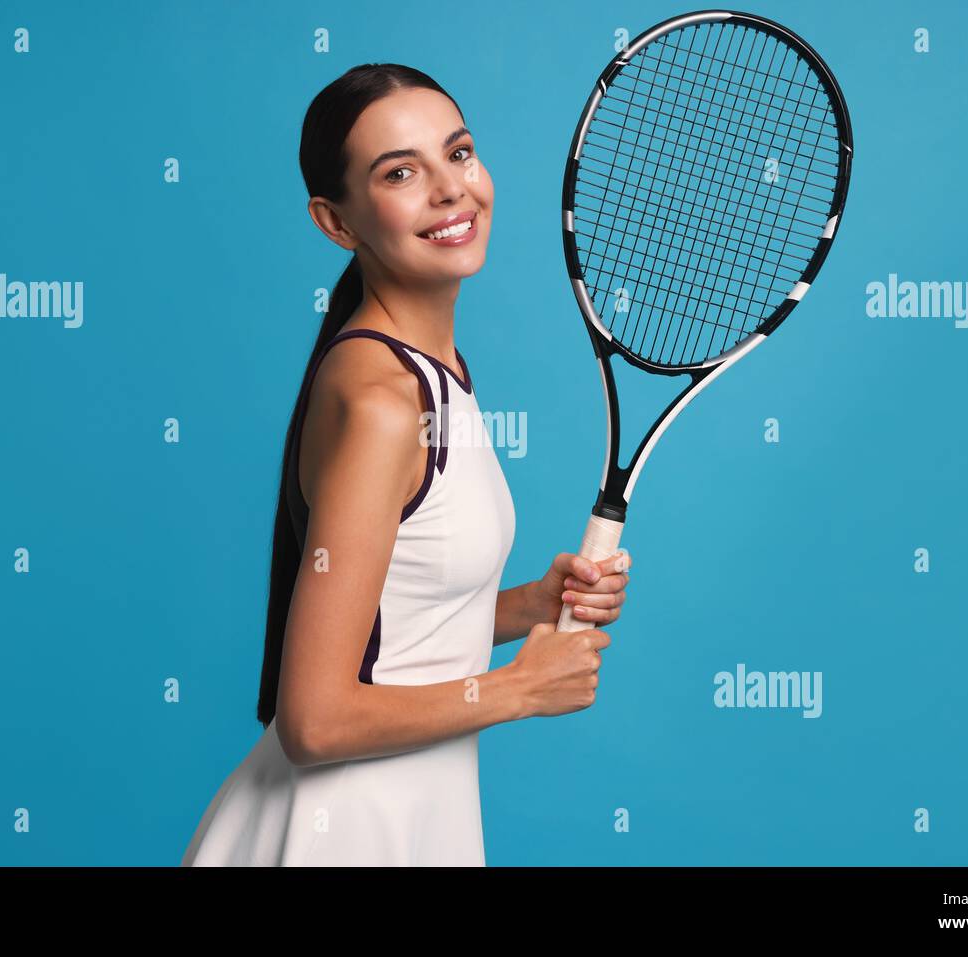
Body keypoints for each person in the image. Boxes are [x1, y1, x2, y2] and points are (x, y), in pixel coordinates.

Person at [181, 63, 632, 866]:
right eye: (399, 173)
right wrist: (520, 689)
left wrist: (532, 603)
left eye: (458, 154)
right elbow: (313, 721)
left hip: (410, 823)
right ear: (336, 222)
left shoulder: (432, 369)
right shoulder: (385, 402)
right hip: (336, 834)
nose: (450, 190)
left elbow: (389, 624)